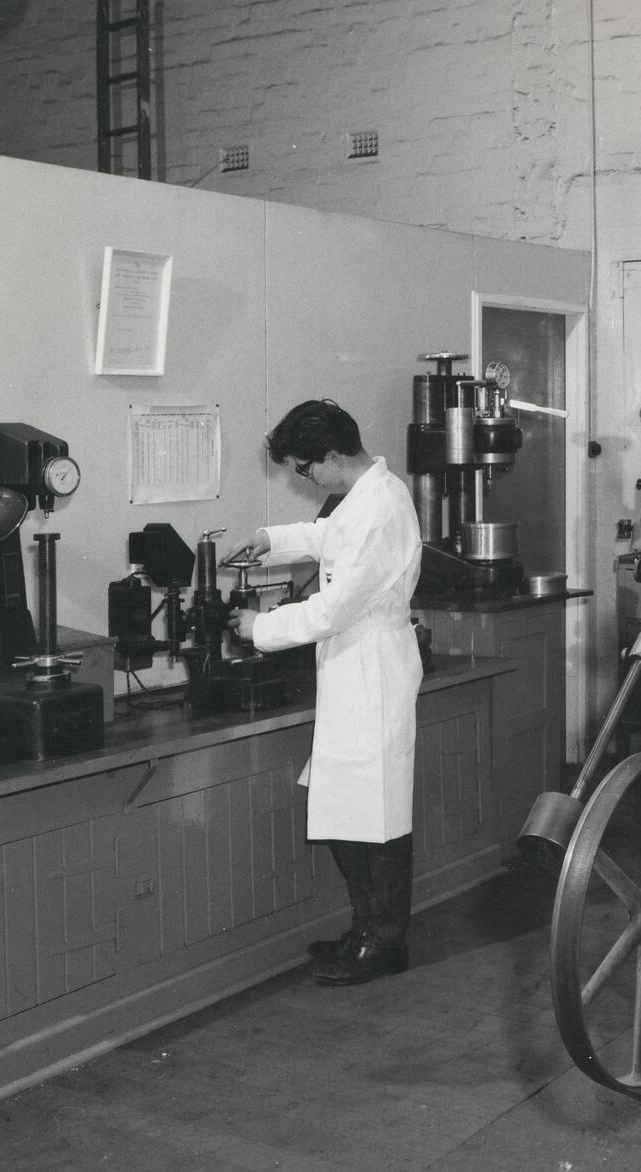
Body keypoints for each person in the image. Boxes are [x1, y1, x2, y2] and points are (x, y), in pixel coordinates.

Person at [224, 398, 423, 988]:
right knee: (343, 804)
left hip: (373, 666)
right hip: (349, 665)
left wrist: (258, 628)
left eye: (306, 471)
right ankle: (365, 929)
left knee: (379, 811)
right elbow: (328, 534)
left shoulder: (383, 507)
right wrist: (269, 538)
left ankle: (387, 941)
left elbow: (334, 607)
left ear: (334, 457)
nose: (304, 481)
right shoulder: (363, 498)